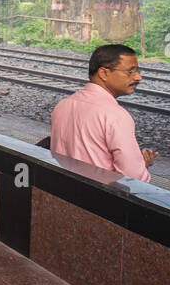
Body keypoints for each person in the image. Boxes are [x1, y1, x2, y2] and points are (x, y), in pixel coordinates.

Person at [50, 44, 157, 182]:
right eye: (130, 71)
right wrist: (142, 166)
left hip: (63, 190)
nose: (138, 77)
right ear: (104, 73)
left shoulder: (64, 105)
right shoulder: (115, 115)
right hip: (99, 199)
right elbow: (133, 178)